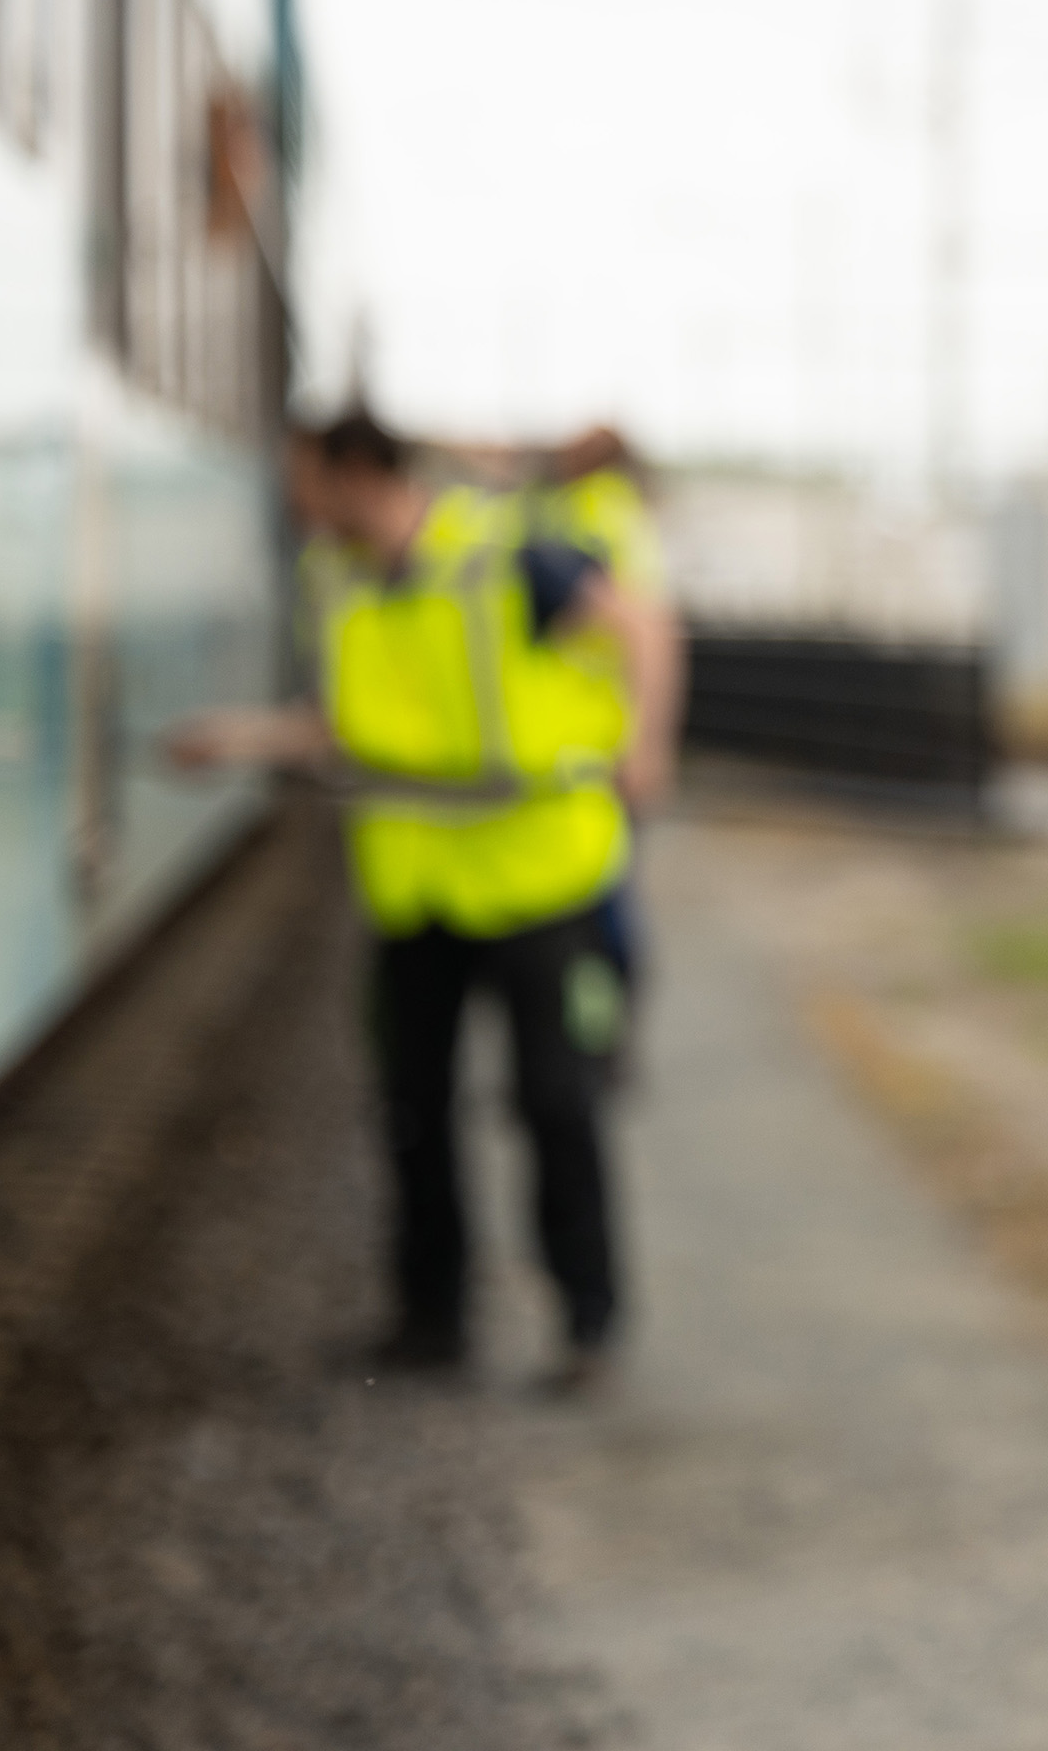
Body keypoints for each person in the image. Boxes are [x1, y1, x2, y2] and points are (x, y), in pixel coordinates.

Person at [169, 406, 678, 1393]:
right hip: (418, 895)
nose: (292, 500)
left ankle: (588, 1327)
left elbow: (646, 629)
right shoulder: (342, 577)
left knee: (554, 1107)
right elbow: (346, 725)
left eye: (304, 478)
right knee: (413, 1111)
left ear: (357, 473)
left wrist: (646, 749)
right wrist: (235, 740)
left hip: (541, 879)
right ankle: (431, 1322)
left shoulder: (506, 557)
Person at [529, 424, 685, 1025]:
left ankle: (600, 1028)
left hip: (596, 749)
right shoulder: (623, 520)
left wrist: (645, 749)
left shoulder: (587, 519)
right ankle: (602, 1026)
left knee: (596, 905)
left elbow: (646, 631)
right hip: (601, 744)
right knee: (602, 900)